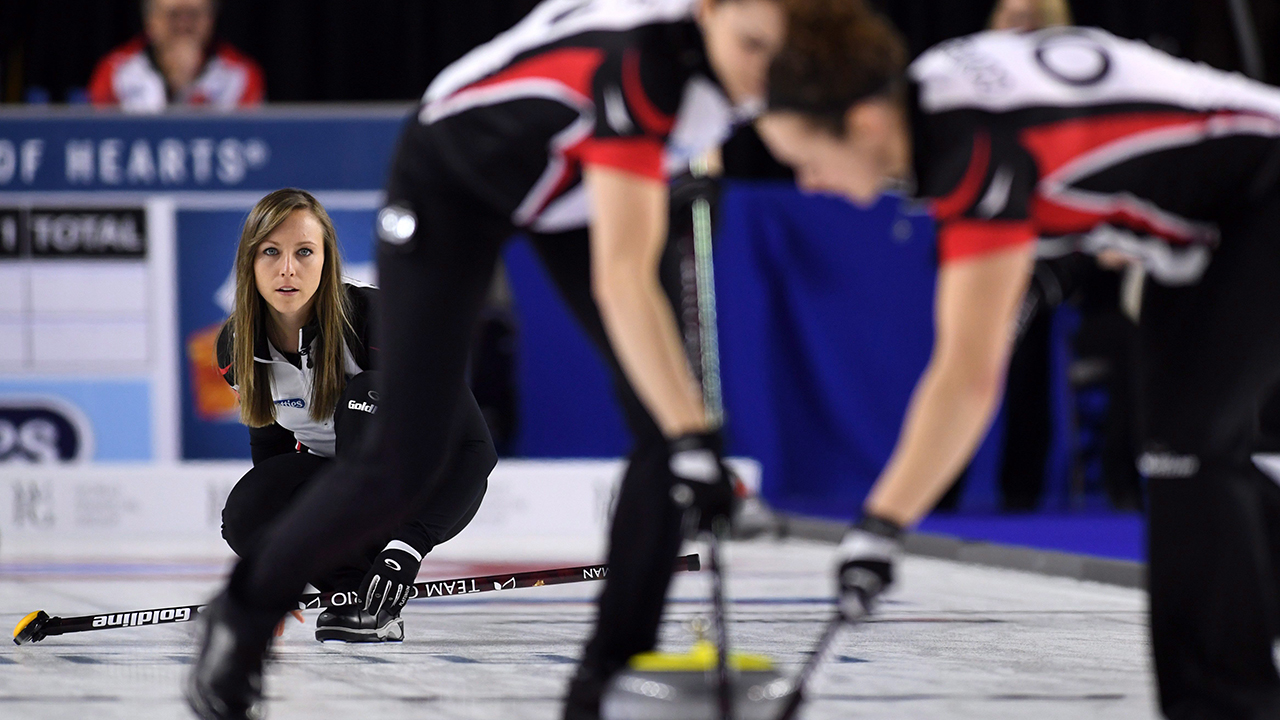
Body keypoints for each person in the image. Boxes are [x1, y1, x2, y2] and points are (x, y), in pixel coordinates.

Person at [182, 0, 841, 717]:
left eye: (773, 66)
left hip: (561, 183)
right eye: (750, 49)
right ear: (709, 11)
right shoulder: (642, 62)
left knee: (661, 431)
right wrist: (694, 435)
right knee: (403, 457)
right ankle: (241, 618)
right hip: (451, 174)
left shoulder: (735, 63)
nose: (757, 76)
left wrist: (682, 438)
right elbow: (621, 280)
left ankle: (602, 681)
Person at [759, 9, 1280, 719]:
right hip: (1208, 229)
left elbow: (967, 376)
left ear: (867, 121)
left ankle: (1226, 706)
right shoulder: (943, 90)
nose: (810, 184)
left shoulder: (968, 147)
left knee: (1189, 452)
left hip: (1259, 198)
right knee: (1184, 451)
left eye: (806, 159)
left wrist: (880, 526)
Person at [212, 188, 495, 644]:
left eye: (305, 252)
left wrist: (407, 547)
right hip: (342, 491)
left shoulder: (379, 321)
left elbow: (475, 449)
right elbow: (272, 455)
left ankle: (378, 578)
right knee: (248, 511)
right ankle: (355, 599)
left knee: (367, 392)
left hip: (427, 486)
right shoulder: (236, 348)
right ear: (249, 263)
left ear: (327, 261)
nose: (288, 269)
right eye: (271, 252)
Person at [88, 0, 264, 112]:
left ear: (211, 19)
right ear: (151, 20)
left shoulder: (240, 75)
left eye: (194, 15)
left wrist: (186, 88)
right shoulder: (115, 71)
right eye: (173, 15)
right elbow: (99, 137)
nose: (184, 26)